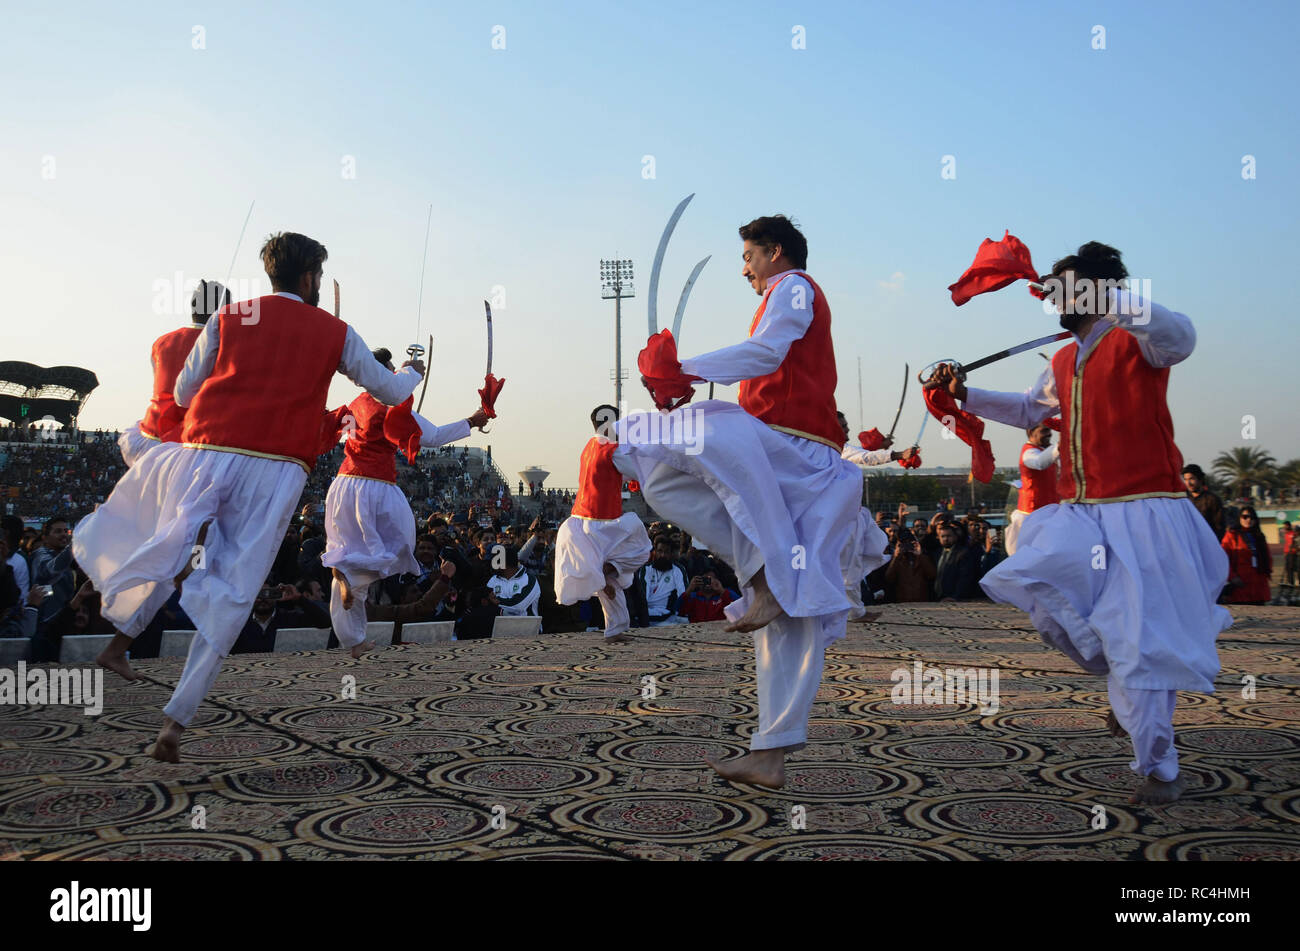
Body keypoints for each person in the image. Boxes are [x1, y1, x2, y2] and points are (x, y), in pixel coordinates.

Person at [71, 231, 424, 762]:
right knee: (236, 586)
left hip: (208, 449)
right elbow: (392, 393)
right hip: (276, 468)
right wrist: (413, 371)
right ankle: (174, 722)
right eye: (320, 278)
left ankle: (117, 632)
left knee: (173, 544)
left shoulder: (229, 318)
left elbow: (186, 393)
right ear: (309, 278)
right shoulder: (336, 331)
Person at [928, 240, 1230, 804]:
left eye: (1064, 289)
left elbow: (1182, 336)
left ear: (1096, 289)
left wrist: (1111, 297)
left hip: (1147, 514)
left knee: (1141, 641)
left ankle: (1159, 768)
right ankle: (1126, 692)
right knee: (1046, 596)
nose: (1050, 298)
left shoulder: (1140, 339)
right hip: (1082, 517)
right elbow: (1025, 411)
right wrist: (964, 394)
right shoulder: (1065, 359)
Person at [615, 214, 861, 789]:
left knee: (664, 448)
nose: (744, 266)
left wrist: (686, 369)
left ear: (776, 252)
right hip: (780, 451)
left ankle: (766, 570)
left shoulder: (794, 287)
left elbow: (767, 352)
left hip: (792, 452)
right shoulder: (781, 292)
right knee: (787, 615)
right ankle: (770, 752)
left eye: (749, 254)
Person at [319, 346, 488, 657]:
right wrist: (471, 421)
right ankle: (352, 581)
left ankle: (353, 640)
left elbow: (331, 428)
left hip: (343, 486)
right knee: (398, 548)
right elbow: (434, 436)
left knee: (351, 556)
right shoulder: (391, 405)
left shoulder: (356, 403)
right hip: (376, 486)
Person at [553, 405, 653, 643]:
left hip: (581, 522)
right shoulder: (613, 451)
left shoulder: (589, 446)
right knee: (642, 550)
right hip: (603, 525)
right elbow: (640, 471)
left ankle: (614, 629)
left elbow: (622, 474)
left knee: (611, 582)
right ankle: (604, 572)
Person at [119, 280, 229, 467]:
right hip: (190, 443)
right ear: (224, 310)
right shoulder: (224, 345)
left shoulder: (161, 342)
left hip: (149, 436)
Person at [1007, 421, 1059, 555]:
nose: (1049, 434)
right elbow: (1039, 463)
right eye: (1044, 431)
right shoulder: (1028, 452)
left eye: (1050, 430)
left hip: (1050, 515)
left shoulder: (1046, 451)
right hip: (1031, 518)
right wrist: (1061, 445)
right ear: (1031, 433)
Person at [628, 536, 688, 626]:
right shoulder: (646, 569)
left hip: (666, 615)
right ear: (655, 552)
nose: (663, 555)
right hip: (645, 613)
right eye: (660, 551)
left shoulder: (678, 570)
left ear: (671, 553)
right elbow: (642, 596)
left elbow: (683, 595)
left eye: (666, 552)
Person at [1221, 506, 1272, 605]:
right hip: (1240, 585)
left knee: (1260, 618)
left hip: (1258, 586)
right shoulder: (1232, 535)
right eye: (1245, 517)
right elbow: (1223, 559)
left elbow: (1268, 557)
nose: (1248, 520)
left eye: (1252, 517)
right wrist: (1232, 577)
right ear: (1239, 518)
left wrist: (1266, 572)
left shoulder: (1259, 536)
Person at [487, 546, 541, 617]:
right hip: (501, 626)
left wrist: (498, 601)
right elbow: (486, 601)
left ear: (505, 565)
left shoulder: (530, 580)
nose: (492, 566)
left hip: (528, 626)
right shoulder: (493, 579)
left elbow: (518, 606)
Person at [884, 528, 935, 602]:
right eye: (904, 543)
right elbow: (889, 578)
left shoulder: (923, 557)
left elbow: (932, 575)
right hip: (902, 601)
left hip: (922, 600)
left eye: (910, 543)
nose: (907, 546)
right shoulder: (896, 560)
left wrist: (920, 555)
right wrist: (896, 557)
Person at [932, 521, 978, 601]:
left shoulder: (963, 553)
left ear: (955, 537)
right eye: (943, 536)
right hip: (937, 598)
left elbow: (965, 578)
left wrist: (955, 596)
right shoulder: (936, 553)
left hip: (955, 598)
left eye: (949, 536)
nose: (946, 539)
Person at [1182, 463, 1226, 538]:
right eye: (1185, 480)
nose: (1188, 483)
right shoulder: (1183, 499)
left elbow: (1219, 526)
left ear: (1200, 479)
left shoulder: (1212, 499)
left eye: (1191, 479)